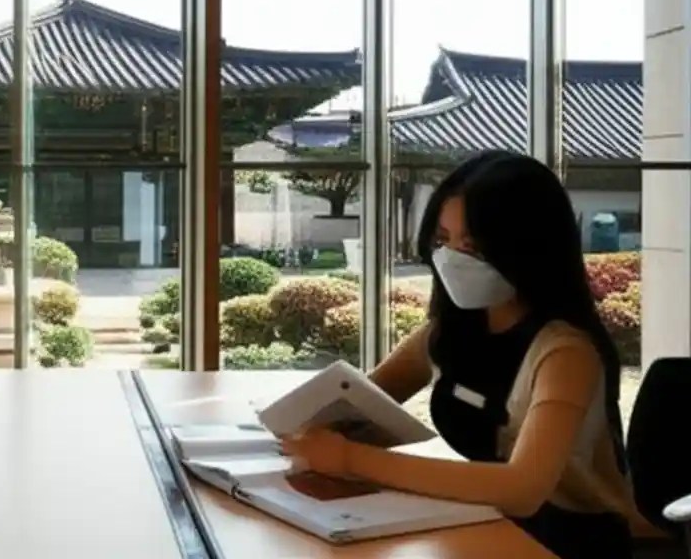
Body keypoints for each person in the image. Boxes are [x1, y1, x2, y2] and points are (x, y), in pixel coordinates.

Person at [280, 150, 663, 559]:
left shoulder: (566, 353)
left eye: (473, 246)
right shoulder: (450, 331)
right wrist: (313, 430)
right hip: (484, 526)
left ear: (528, 248)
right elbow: (359, 401)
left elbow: (521, 490)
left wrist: (351, 458)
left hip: (569, 544)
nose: (451, 258)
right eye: (442, 240)